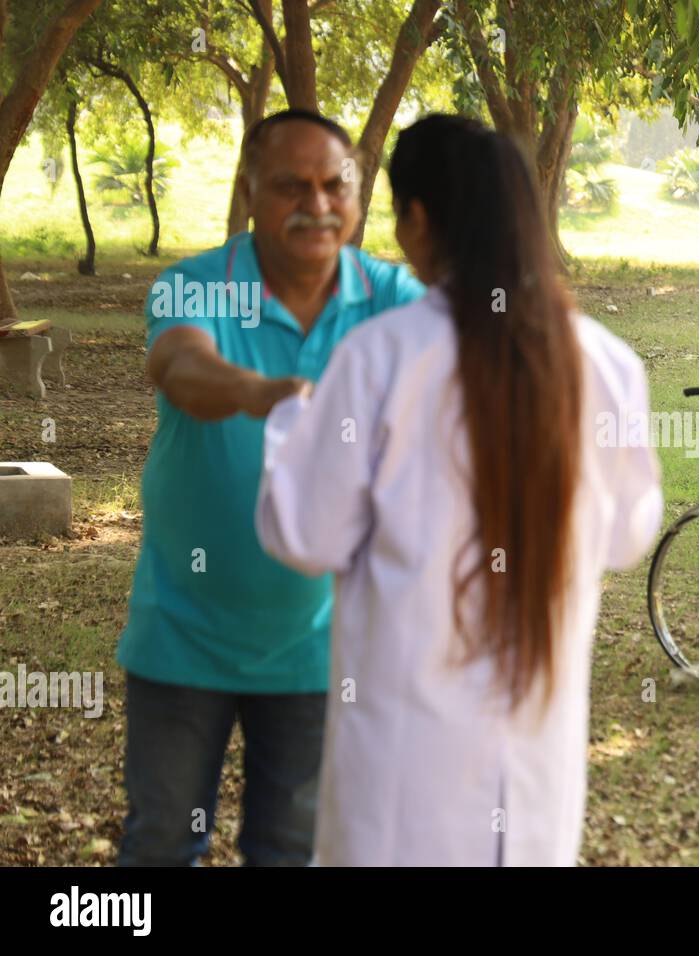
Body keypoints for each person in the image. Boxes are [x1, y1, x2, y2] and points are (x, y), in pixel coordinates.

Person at [254, 114, 663, 866]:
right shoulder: (603, 364)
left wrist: (290, 420)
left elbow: (306, 535)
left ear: (417, 221)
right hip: (532, 790)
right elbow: (630, 534)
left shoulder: (380, 359)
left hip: (403, 793)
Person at [115, 109, 426, 866]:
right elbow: (180, 368)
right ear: (250, 188)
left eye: (334, 185)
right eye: (292, 187)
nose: (316, 206)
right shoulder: (194, 286)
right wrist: (260, 393)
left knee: (291, 850)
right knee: (160, 844)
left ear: (359, 194)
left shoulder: (394, 297)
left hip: (324, 648)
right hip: (183, 635)